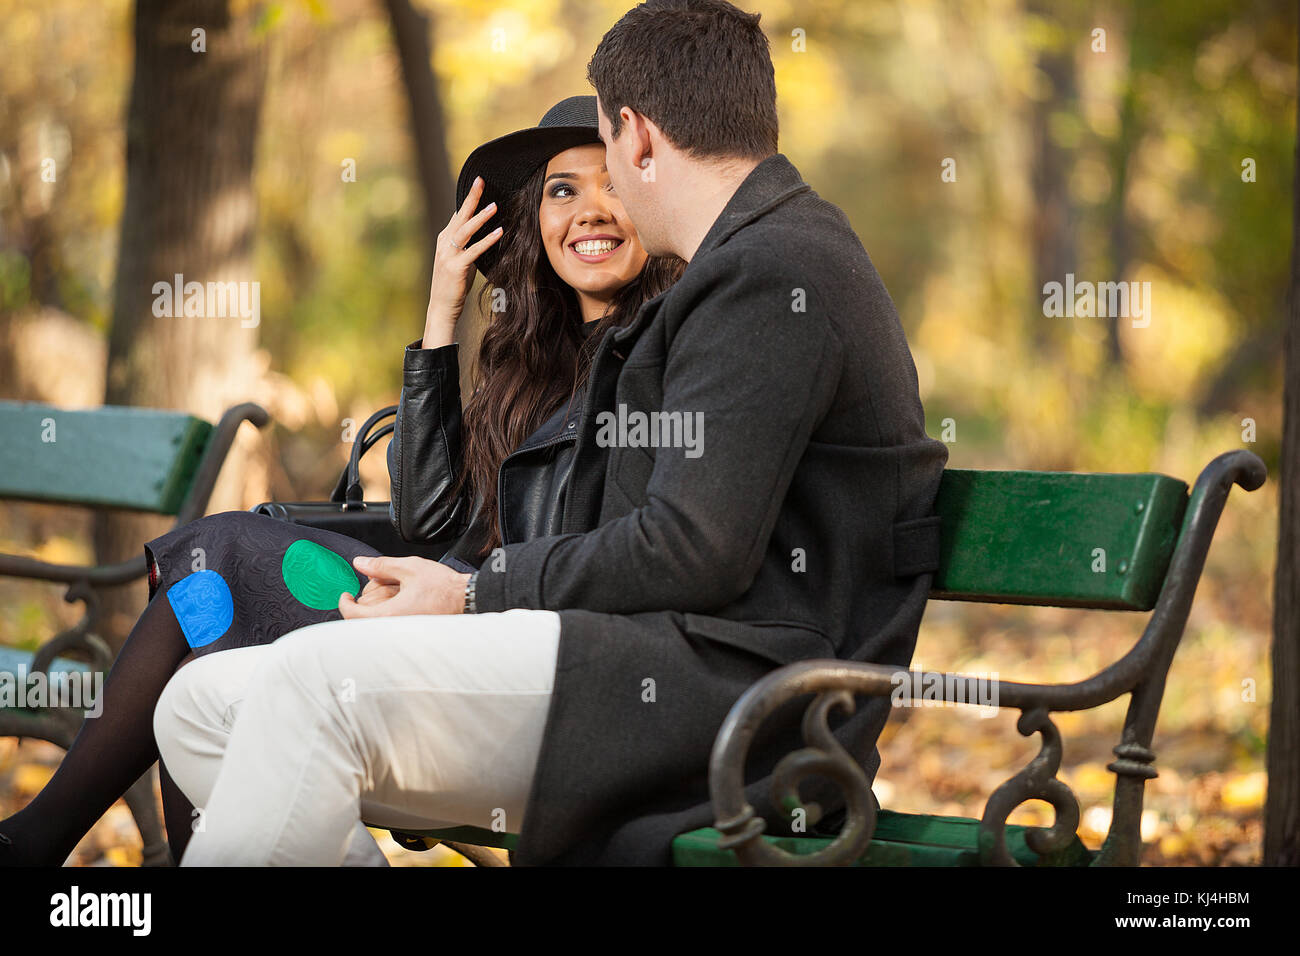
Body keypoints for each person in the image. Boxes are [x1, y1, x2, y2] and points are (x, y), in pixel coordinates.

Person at [169, 0, 949, 867]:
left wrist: (469, 595)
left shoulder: (769, 274)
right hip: (667, 663)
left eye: (609, 157)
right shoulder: (754, 263)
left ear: (637, 135)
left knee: (315, 685)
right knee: (199, 707)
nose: (602, 186)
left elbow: (693, 549)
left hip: (746, 701)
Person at [0, 95, 680, 867]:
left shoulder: (672, 354)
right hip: (445, 607)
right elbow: (429, 521)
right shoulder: (536, 362)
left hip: (506, 647)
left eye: (614, 185)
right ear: (533, 220)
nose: (590, 209)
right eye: (563, 188)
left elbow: (633, 551)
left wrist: (463, 593)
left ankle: (36, 838)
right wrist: (441, 314)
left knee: (220, 552)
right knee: (205, 655)